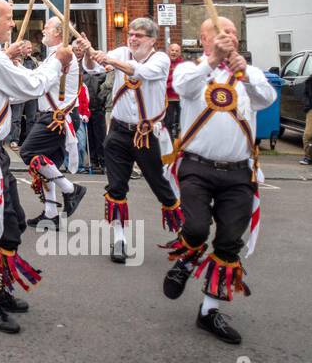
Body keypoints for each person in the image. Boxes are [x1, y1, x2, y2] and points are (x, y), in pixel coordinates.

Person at [0, 0, 71, 334]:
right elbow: (31, 87)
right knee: (1, 225)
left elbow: (16, 92)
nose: (12, 23)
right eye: (8, 18)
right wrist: (56, 60)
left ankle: (0, 288)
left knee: (14, 220)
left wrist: (15, 61)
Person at [160, 17, 275, 344]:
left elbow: (266, 98)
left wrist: (245, 72)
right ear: (205, 39)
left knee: (229, 241)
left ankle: (209, 311)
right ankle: (186, 259)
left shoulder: (248, 72)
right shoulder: (191, 69)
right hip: (197, 167)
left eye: (235, 34)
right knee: (195, 229)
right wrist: (212, 61)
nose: (231, 39)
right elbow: (182, 87)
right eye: (224, 34)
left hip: (239, 171)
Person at [82, 17, 180, 262]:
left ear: (152, 40)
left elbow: (142, 72)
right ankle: (120, 240)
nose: (133, 38)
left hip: (146, 134)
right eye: (131, 34)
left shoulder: (160, 59)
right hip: (117, 131)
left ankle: (184, 235)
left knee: (161, 186)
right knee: (116, 187)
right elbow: (94, 68)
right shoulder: (121, 52)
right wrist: (88, 54)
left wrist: (111, 60)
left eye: (139, 35)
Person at [21, 17, 88, 231]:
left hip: (57, 118)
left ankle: (70, 189)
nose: (43, 31)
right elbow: (38, 77)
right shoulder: (56, 55)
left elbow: (37, 83)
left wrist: (16, 70)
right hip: (54, 115)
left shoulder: (63, 55)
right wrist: (16, 66)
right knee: (45, 163)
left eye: (47, 27)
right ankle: (50, 214)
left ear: (59, 32)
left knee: (28, 153)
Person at [165, 42, 184, 138]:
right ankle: (170, 144)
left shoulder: (183, 65)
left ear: (180, 53)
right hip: (168, 98)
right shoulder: (164, 63)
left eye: (177, 51)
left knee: (180, 122)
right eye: (172, 50)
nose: (174, 52)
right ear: (168, 51)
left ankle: (179, 143)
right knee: (168, 122)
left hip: (180, 98)